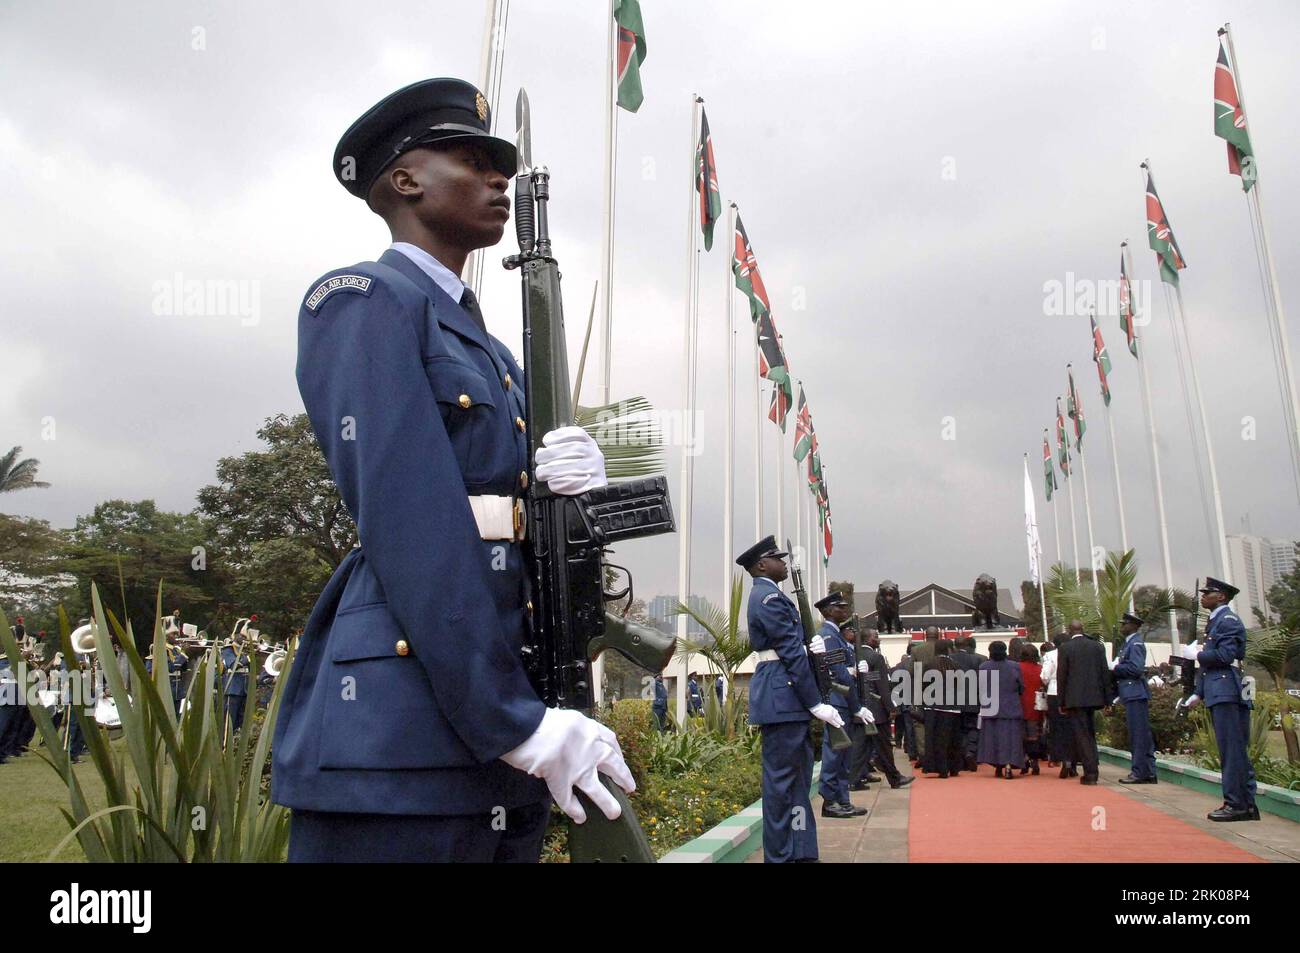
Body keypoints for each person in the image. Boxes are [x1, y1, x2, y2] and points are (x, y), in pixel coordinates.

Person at [270, 78, 635, 863]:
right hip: (404, 735)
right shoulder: (363, 299)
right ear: (404, 180)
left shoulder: (494, 352)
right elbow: (411, 523)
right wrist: (515, 721)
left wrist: (569, 494)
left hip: (504, 723)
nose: (498, 178)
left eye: (502, 166)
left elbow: (511, 522)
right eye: (473, 160)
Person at [741, 536, 844, 862]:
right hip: (782, 699)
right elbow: (789, 652)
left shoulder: (773, 596)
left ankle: (800, 850)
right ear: (761, 565)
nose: (784, 563)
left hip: (787, 700)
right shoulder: (768, 598)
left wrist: (808, 642)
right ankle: (781, 856)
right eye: (777, 559)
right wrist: (814, 701)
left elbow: (794, 645)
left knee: (798, 785)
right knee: (781, 787)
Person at [1195, 578, 1258, 821]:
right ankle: (1245, 803)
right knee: (1232, 750)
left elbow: (1225, 655)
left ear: (1221, 596)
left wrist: (1198, 654)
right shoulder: (1216, 621)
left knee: (1232, 750)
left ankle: (1237, 804)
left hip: (1227, 690)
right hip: (1218, 688)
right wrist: (1198, 692)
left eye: (1208, 593)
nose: (1203, 596)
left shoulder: (1227, 620)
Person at [814, 592, 870, 817]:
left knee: (845, 755)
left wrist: (855, 670)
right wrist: (852, 673)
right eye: (839, 607)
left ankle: (843, 800)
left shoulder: (837, 636)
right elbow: (839, 674)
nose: (844, 610)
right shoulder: (828, 636)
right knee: (835, 754)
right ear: (828, 611)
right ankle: (829, 802)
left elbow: (846, 670)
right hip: (837, 701)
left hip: (845, 701)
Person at [853, 629, 913, 789]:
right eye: (875, 636)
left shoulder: (855, 654)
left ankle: (854, 779)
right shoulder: (876, 657)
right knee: (884, 746)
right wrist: (891, 708)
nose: (878, 639)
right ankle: (895, 778)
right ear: (868, 639)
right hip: (876, 710)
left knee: (862, 747)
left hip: (860, 708)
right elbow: (882, 686)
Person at [1056, 620, 1111, 785]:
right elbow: (1104, 673)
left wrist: (1061, 701)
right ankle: (1093, 767)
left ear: (1069, 631)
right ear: (1083, 629)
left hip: (1075, 699)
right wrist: (1108, 700)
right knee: (1090, 733)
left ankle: (1091, 773)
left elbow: (1062, 676)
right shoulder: (1097, 647)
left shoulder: (1065, 648)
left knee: (1082, 736)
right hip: (1094, 698)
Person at [1113, 612, 1157, 784]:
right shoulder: (1128, 643)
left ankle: (1140, 772)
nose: (1122, 626)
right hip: (1131, 693)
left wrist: (1116, 668)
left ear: (1133, 625)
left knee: (1139, 735)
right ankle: (1148, 771)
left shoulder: (1135, 643)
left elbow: (1136, 669)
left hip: (1135, 693)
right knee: (1141, 735)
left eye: (1125, 624)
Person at [976, 640, 1024, 778]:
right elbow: (1021, 686)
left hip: (991, 707)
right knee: (1011, 739)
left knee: (993, 739)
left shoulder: (984, 667)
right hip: (1011, 706)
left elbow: (980, 687)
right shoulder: (1014, 666)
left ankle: (997, 764)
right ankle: (1009, 764)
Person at [926, 640, 965, 778]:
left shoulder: (929, 665)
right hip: (953, 707)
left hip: (934, 707)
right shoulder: (955, 665)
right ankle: (954, 767)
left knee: (937, 739)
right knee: (953, 739)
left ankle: (941, 768)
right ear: (949, 649)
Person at [949, 635, 984, 772]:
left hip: (954, 701)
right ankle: (970, 752)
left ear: (954, 646)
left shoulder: (949, 660)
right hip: (973, 700)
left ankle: (962, 759)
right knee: (973, 728)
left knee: (958, 730)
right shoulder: (977, 659)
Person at [1018, 643, 1044, 775]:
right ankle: (1035, 762)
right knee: (1034, 735)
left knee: (1021, 736)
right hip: (1036, 706)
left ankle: (1023, 760)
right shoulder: (1040, 669)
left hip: (1020, 705)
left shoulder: (1017, 668)